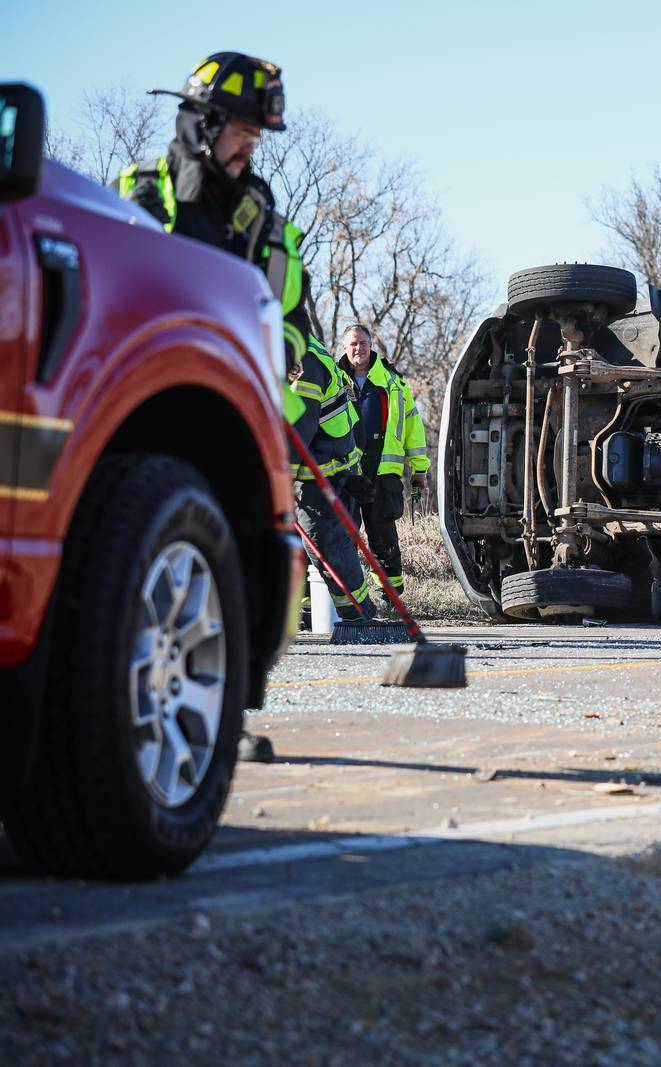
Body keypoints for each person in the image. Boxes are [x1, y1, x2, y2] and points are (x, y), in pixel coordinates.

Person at [120, 53, 376, 762]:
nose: (251, 145)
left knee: (246, 568)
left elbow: (288, 312)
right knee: (146, 568)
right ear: (203, 124)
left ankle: (218, 715)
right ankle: (128, 721)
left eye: (258, 136)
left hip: (234, 412)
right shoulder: (145, 192)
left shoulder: (262, 211)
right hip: (151, 411)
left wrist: (282, 350)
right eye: (242, 131)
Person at [336, 324, 429, 597]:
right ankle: (349, 597)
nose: (358, 349)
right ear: (345, 347)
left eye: (363, 343)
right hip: (345, 471)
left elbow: (413, 427)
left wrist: (419, 469)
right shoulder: (333, 380)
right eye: (353, 344)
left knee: (383, 537)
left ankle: (390, 596)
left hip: (383, 471)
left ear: (371, 345)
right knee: (344, 535)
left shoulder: (392, 382)